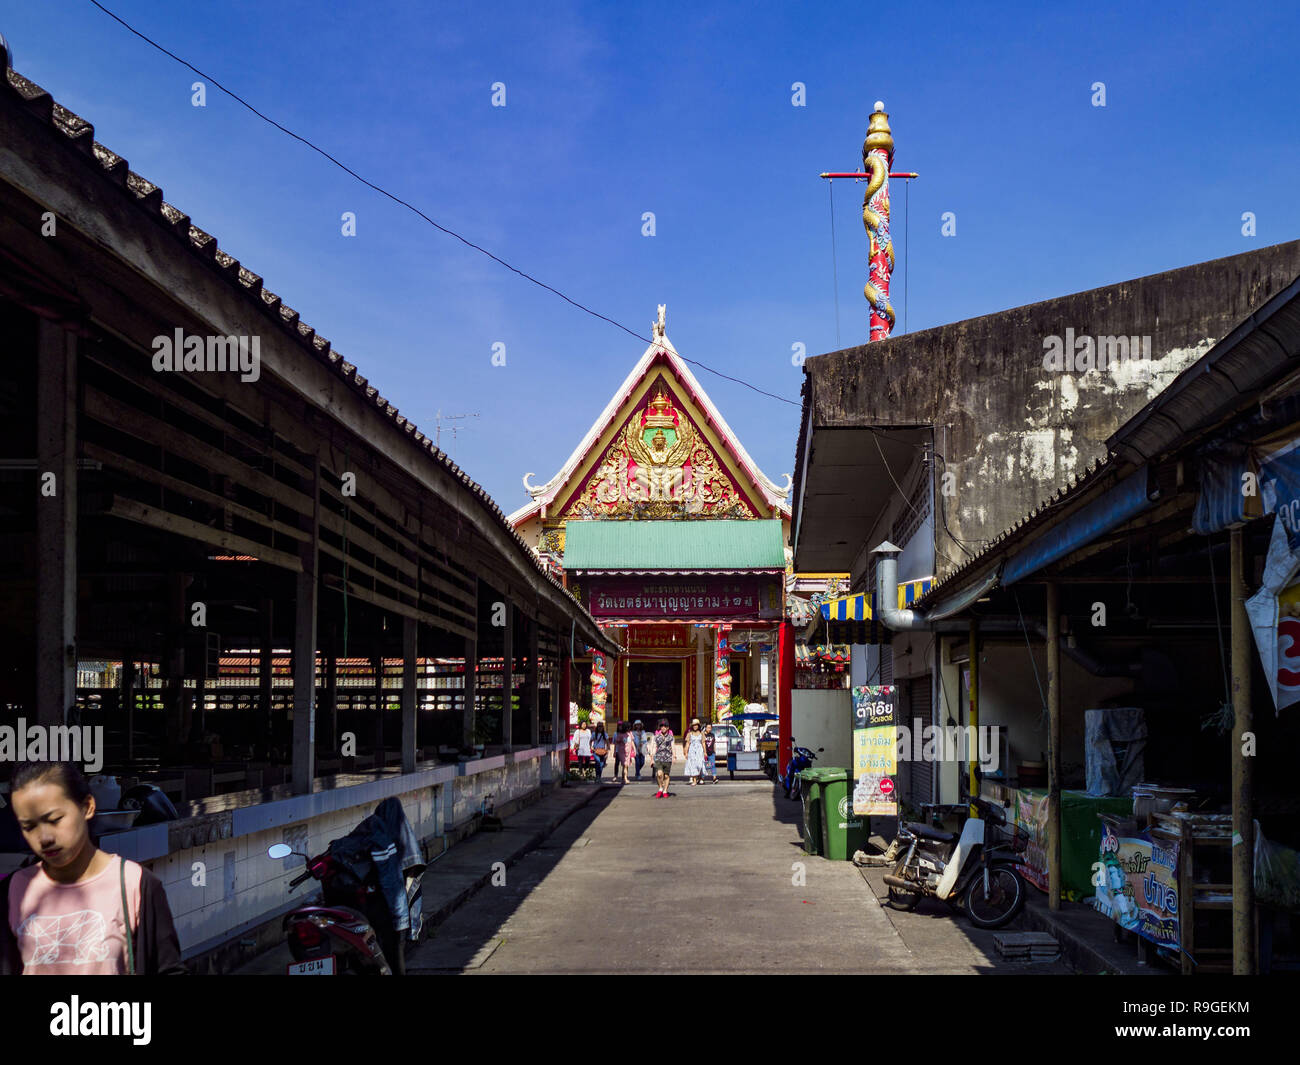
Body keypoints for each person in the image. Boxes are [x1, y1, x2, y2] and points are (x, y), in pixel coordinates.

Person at [0, 760, 186, 974]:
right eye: (29, 826)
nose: (44, 838)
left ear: (87, 807)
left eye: (55, 820)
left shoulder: (135, 884)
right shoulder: (13, 891)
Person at [652, 717, 675, 797]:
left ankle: (665, 790)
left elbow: (673, 747)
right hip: (658, 757)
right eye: (661, 726)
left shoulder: (671, 737)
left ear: (668, 728)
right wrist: (652, 758)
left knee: (666, 775)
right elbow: (654, 747)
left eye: (664, 726)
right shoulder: (656, 737)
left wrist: (674, 756)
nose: (663, 728)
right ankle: (660, 788)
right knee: (659, 774)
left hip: (667, 758)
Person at [683, 718, 706, 785]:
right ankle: (694, 780)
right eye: (694, 725)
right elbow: (687, 744)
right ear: (692, 726)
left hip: (699, 751)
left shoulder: (702, 733)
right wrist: (686, 752)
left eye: (696, 725)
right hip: (692, 751)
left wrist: (705, 752)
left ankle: (700, 778)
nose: (695, 726)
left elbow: (703, 743)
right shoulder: (689, 734)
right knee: (693, 765)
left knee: (700, 765)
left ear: (698, 726)